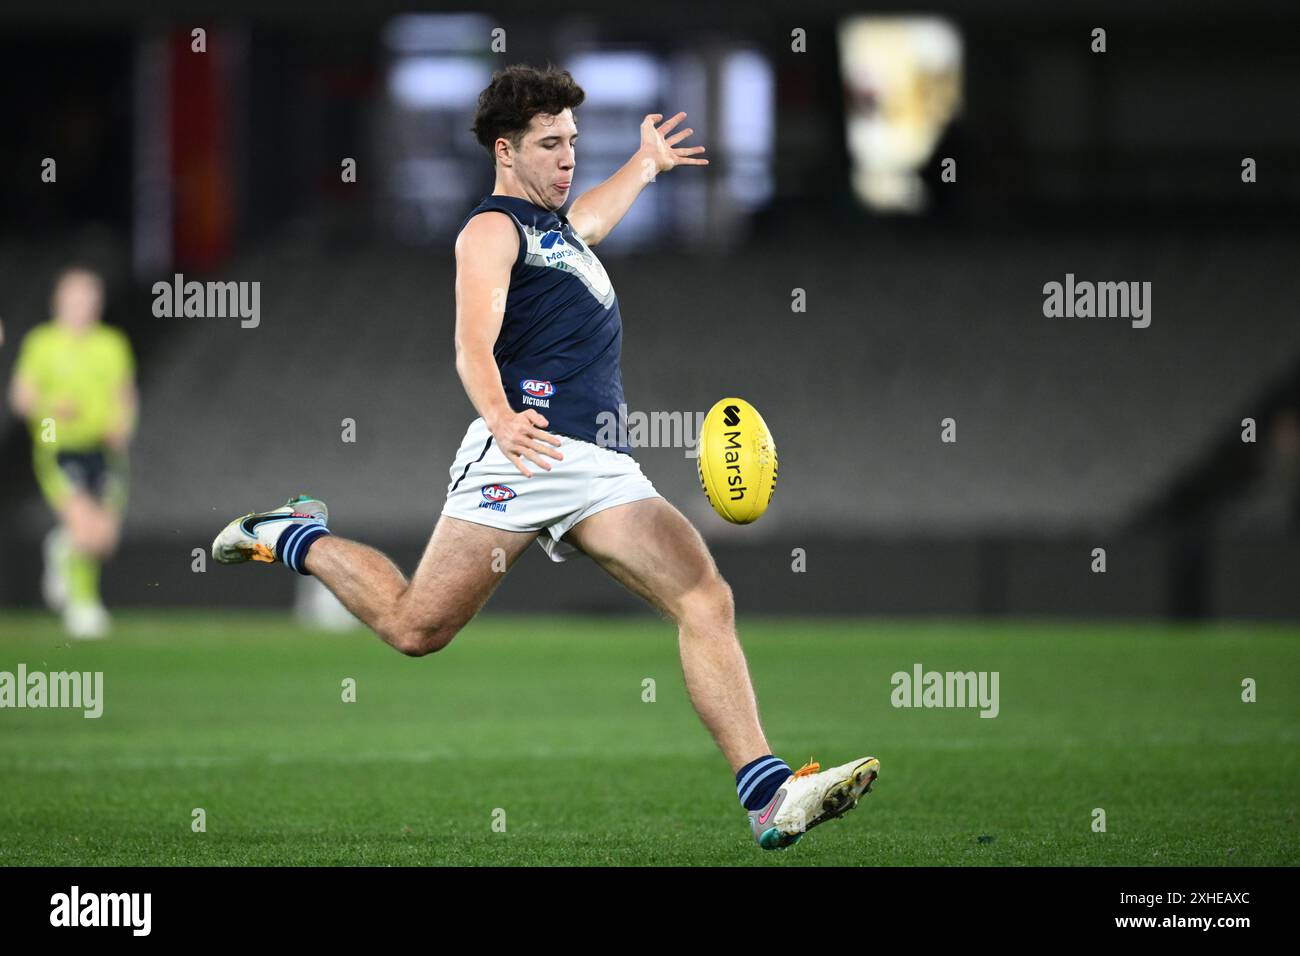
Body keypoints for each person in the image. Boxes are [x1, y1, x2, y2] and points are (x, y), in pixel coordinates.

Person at [212, 64, 878, 850]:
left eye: (573, 141)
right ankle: (290, 532)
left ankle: (769, 795)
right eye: (551, 144)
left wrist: (644, 165)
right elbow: (469, 342)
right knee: (415, 629)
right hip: (522, 453)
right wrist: (500, 418)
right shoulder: (491, 229)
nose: (569, 157)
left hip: (599, 465)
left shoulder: (560, 232)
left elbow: (592, 218)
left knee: (706, 596)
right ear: (506, 151)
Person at [9, 266, 137, 638]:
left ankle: (60, 548)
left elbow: (124, 395)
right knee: (84, 525)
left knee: (103, 539)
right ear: (58, 301)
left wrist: (122, 423)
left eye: (91, 297)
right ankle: (83, 605)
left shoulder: (111, 344)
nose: (84, 304)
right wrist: (51, 408)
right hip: (56, 442)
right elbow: (21, 399)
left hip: (102, 447)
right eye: (76, 296)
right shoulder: (42, 343)